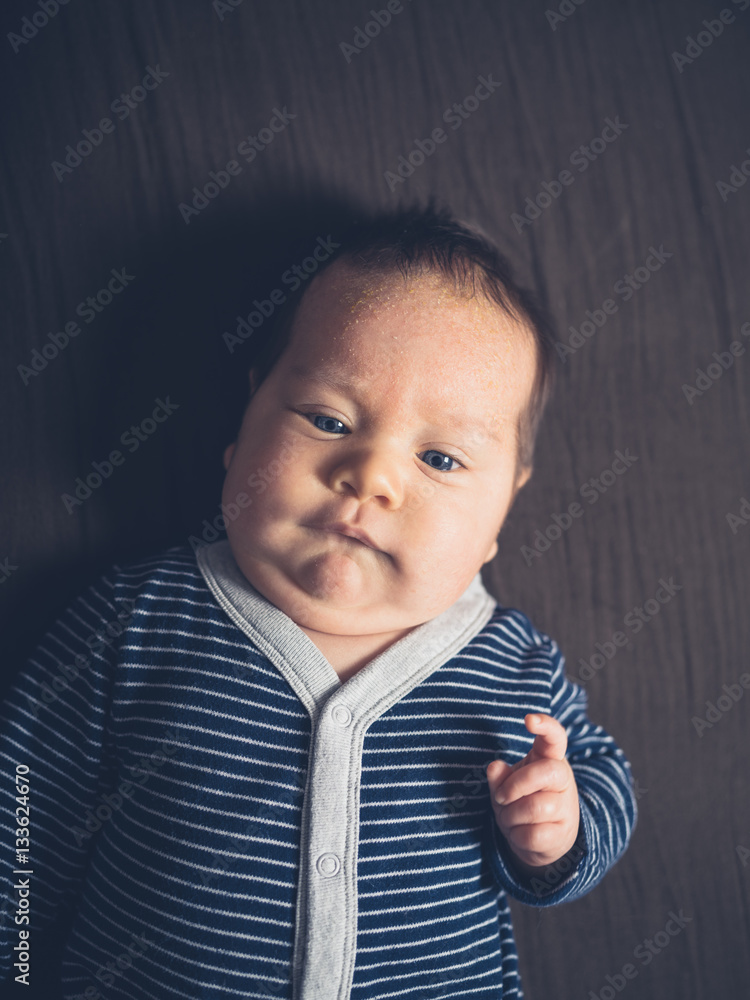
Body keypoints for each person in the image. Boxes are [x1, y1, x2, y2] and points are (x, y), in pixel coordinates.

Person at [0, 205, 637, 999]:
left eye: (440, 457)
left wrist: (561, 830)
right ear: (242, 425)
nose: (371, 476)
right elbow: (21, 818)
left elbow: (605, 775)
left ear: (502, 513)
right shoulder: (133, 621)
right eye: (329, 419)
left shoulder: (515, 667)